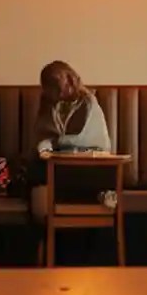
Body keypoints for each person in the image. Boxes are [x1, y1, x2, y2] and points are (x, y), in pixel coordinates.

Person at [28, 61, 112, 223]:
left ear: (71, 80)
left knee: (46, 175)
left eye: (61, 87)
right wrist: (44, 147)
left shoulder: (88, 102)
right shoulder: (48, 103)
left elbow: (88, 139)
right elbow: (42, 133)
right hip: (59, 164)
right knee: (35, 169)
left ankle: (99, 197)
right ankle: (44, 225)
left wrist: (57, 142)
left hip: (88, 164)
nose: (59, 93)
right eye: (52, 90)